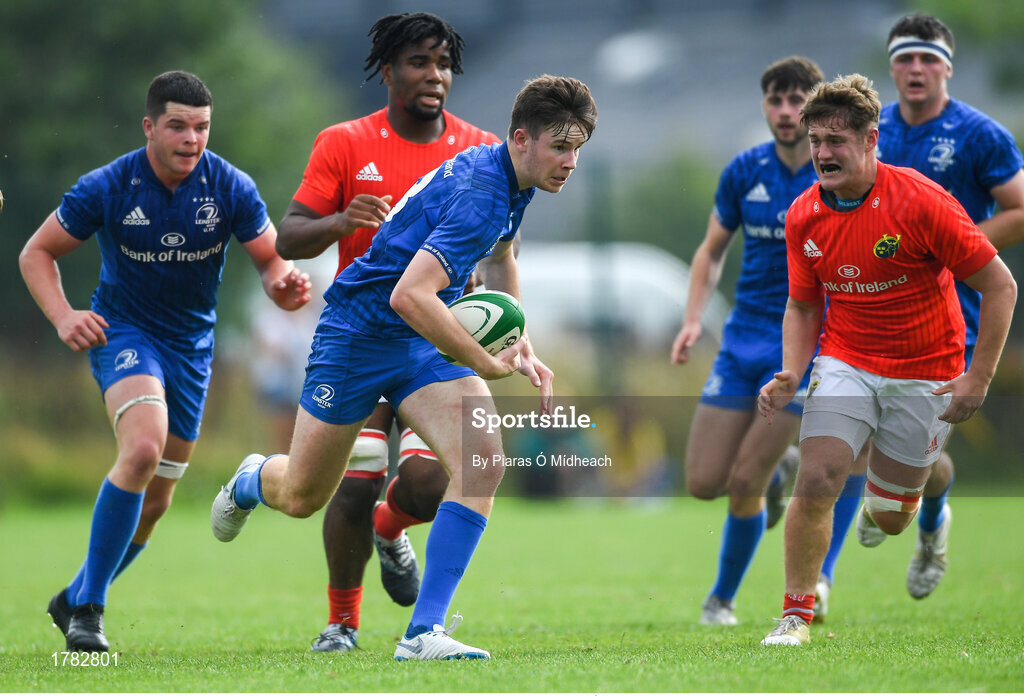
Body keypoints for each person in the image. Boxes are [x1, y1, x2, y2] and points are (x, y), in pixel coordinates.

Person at [211, 75, 597, 660]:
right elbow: (409, 295)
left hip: (416, 341)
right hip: (357, 336)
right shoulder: (482, 193)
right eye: (561, 146)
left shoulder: (513, 179)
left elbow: (501, 256)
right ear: (522, 138)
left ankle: (422, 633)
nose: (571, 161)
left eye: (579, 148)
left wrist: (518, 340)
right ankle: (252, 479)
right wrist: (484, 361)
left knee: (482, 460)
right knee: (301, 496)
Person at [19, 71, 312, 652]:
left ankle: (75, 595)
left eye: (201, 127)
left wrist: (283, 285)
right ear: (149, 127)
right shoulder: (107, 185)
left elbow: (271, 261)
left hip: (192, 350)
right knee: (143, 449)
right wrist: (63, 316)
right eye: (177, 125)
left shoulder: (230, 186)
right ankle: (91, 614)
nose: (191, 138)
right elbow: (37, 253)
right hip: (124, 333)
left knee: (156, 503)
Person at [757, 74, 1016, 646]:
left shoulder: (922, 201)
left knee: (892, 516)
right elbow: (801, 307)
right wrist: (792, 372)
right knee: (818, 474)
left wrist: (978, 377)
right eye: (816, 140)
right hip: (846, 359)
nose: (823, 153)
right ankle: (795, 616)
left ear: (872, 139)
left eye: (836, 141)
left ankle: (928, 498)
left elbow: (1000, 287)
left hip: (927, 366)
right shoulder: (803, 216)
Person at [273, 12, 503, 653]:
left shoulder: (479, 148)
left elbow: (501, 245)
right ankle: (342, 624)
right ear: (387, 71)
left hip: (430, 340)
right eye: (419, 62)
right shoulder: (344, 143)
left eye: (443, 63)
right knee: (340, 487)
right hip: (361, 337)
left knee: (441, 479)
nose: (434, 76)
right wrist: (341, 219)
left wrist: (505, 314)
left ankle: (393, 530)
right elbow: (289, 234)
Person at [816, 13, 1024, 611]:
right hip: (865, 312)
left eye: (928, 59)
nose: (916, 69)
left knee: (908, 457)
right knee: (846, 442)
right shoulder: (871, 131)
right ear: (891, 67)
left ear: (947, 69)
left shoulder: (979, 134)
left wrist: (950, 247)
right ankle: (820, 582)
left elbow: (1019, 208)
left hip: (946, 316)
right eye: (905, 58)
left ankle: (929, 524)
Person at [670, 56, 823, 626]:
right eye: (776, 100)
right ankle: (780, 467)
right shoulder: (744, 170)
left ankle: (721, 600)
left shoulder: (834, 171)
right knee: (704, 483)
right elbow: (711, 249)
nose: (786, 112)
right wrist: (692, 319)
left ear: (815, 105)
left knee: (741, 483)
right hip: (740, 344)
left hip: (800, 350)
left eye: (797, 99)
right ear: (764, 106)